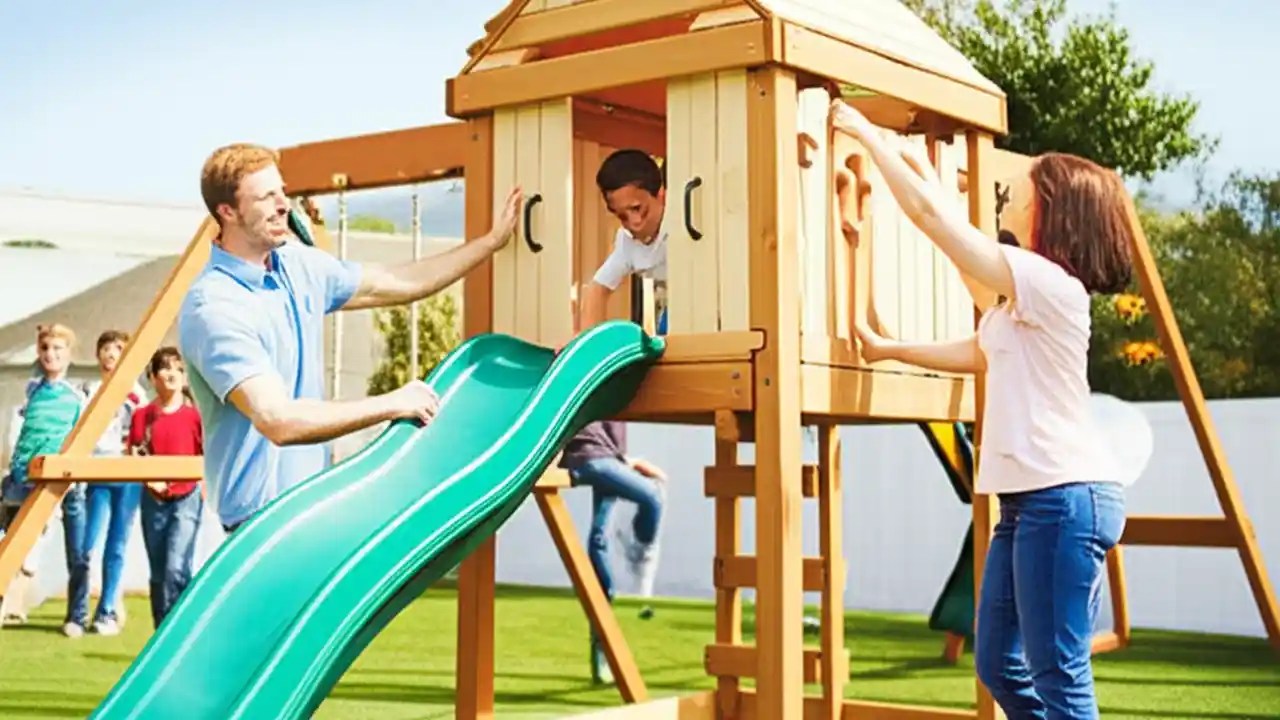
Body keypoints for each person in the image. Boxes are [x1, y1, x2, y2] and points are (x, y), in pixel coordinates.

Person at [831, 99, 1132, 719]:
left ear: (1052, 210)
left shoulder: (1049, 286)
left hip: (1063, 496)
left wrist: (865, 132)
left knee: (1056, 670)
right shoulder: (1024, 298)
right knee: (998, 662)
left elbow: (935, 224)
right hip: (1031, 501)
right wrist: (891, 348)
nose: (1005, 199)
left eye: (1017, 192)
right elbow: (984, 347)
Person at [178, 143, 522, 534]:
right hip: (259, 528)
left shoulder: (297, 265)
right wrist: (392, 404)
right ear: (227, 212)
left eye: (282, 191)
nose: (283, 206)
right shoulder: (216, 308)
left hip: (313, 506)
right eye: (266, 197)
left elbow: (396, 283)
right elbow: (278, 420)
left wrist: (490, 243)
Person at [559, 149, 672, 685]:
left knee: (607, 535)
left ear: (662, 195)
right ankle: (603, 636)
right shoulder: (628, 242)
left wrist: (632, 462)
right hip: (590, 460)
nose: (633, 223)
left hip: (699, 304)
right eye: (621, 213)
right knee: (608, 535)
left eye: (640, 209)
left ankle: (638, 555)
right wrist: (587, 347)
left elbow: (611, 435)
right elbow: (597, 287)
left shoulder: (685, 228)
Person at [1, 324, 93, 637]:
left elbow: (82, 437)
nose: (51, 355)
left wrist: (75, 475)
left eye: (58, 349)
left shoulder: (76, 395)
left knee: (78, 551)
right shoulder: (33, 391)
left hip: (67, 480)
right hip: (27, 477)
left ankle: (77, 616)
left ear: (69, 354)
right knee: (11, 542)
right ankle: (8, 602)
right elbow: (25, 436)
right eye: (45, 349)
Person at [78, 329, 148, 636]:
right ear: (97, 356)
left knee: (117, 545)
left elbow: (143, 435)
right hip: (97, 473)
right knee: (87, 545)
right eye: (105, 349)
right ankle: (78, 609)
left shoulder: (137, 393)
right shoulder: (89, 390)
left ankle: (106, 610)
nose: (110, 354)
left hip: (128, 475)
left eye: (117, 349)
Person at [128, 346, 204, 629]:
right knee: (159, 572)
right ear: (153, 377)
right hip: (153, 499)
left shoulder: (196, 416)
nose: (172, 374)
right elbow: (135, 453)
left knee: (177, 567)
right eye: (166, 368)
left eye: (178, 369)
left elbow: (206, 456)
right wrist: (151, 480)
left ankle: (180, 629)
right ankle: (161, 631)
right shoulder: (143, 416)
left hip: (187, 496)